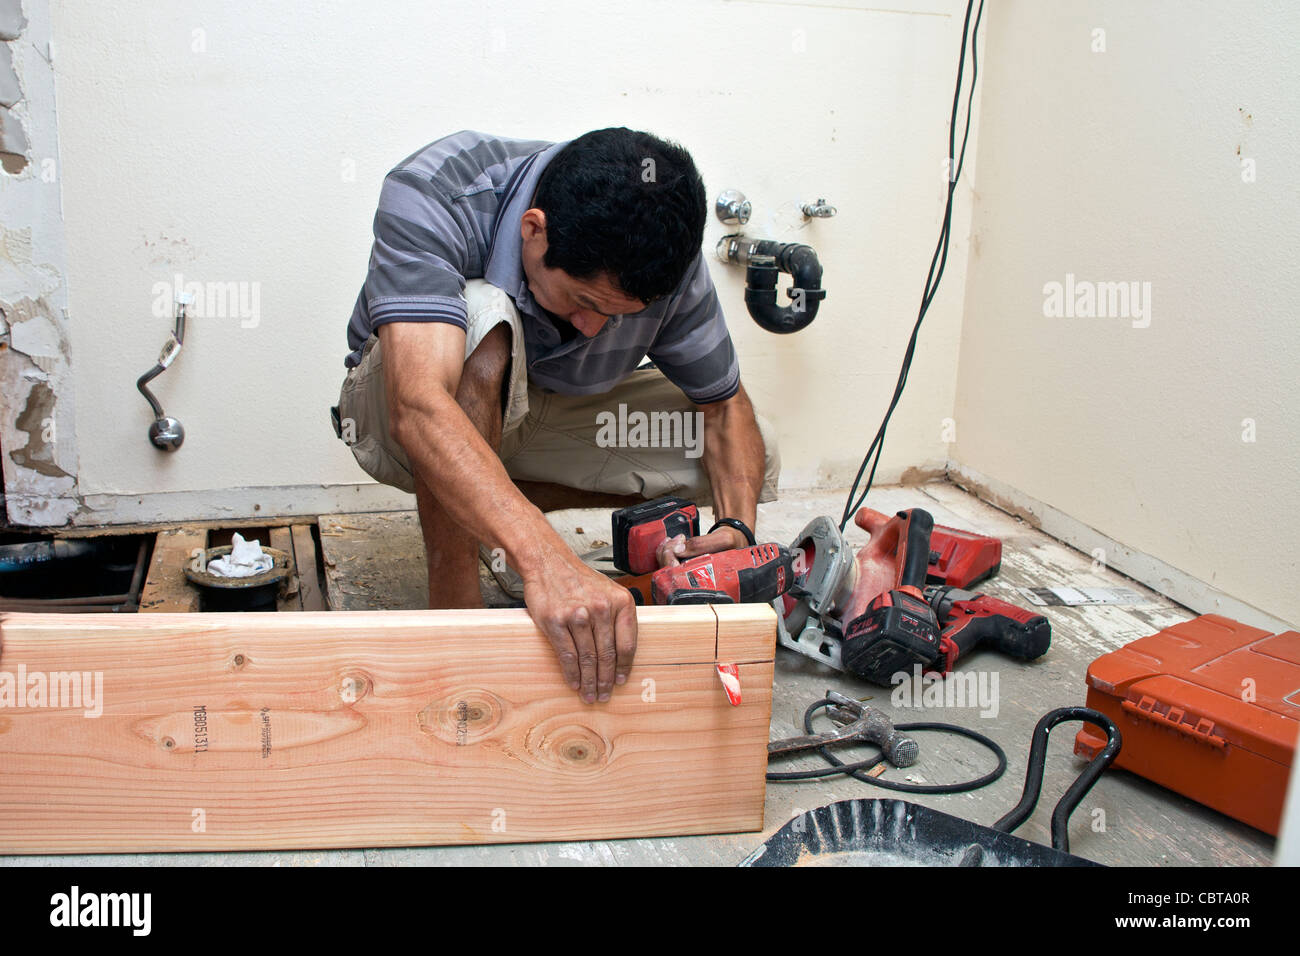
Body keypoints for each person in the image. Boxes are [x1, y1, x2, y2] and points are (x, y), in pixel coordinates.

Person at [335, 128, 779, 705]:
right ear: (534, 230)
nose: (593, 328)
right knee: (481, 318)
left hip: (536, 412)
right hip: (405, 412)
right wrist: (549, 560)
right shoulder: (435, 190)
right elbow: (418, 406)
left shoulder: (663, 257)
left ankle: (494, 516)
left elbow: (723, 409)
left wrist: (736, 533)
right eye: (585, 303)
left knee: (752, 442)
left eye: (619, 317)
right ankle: (458, 619)